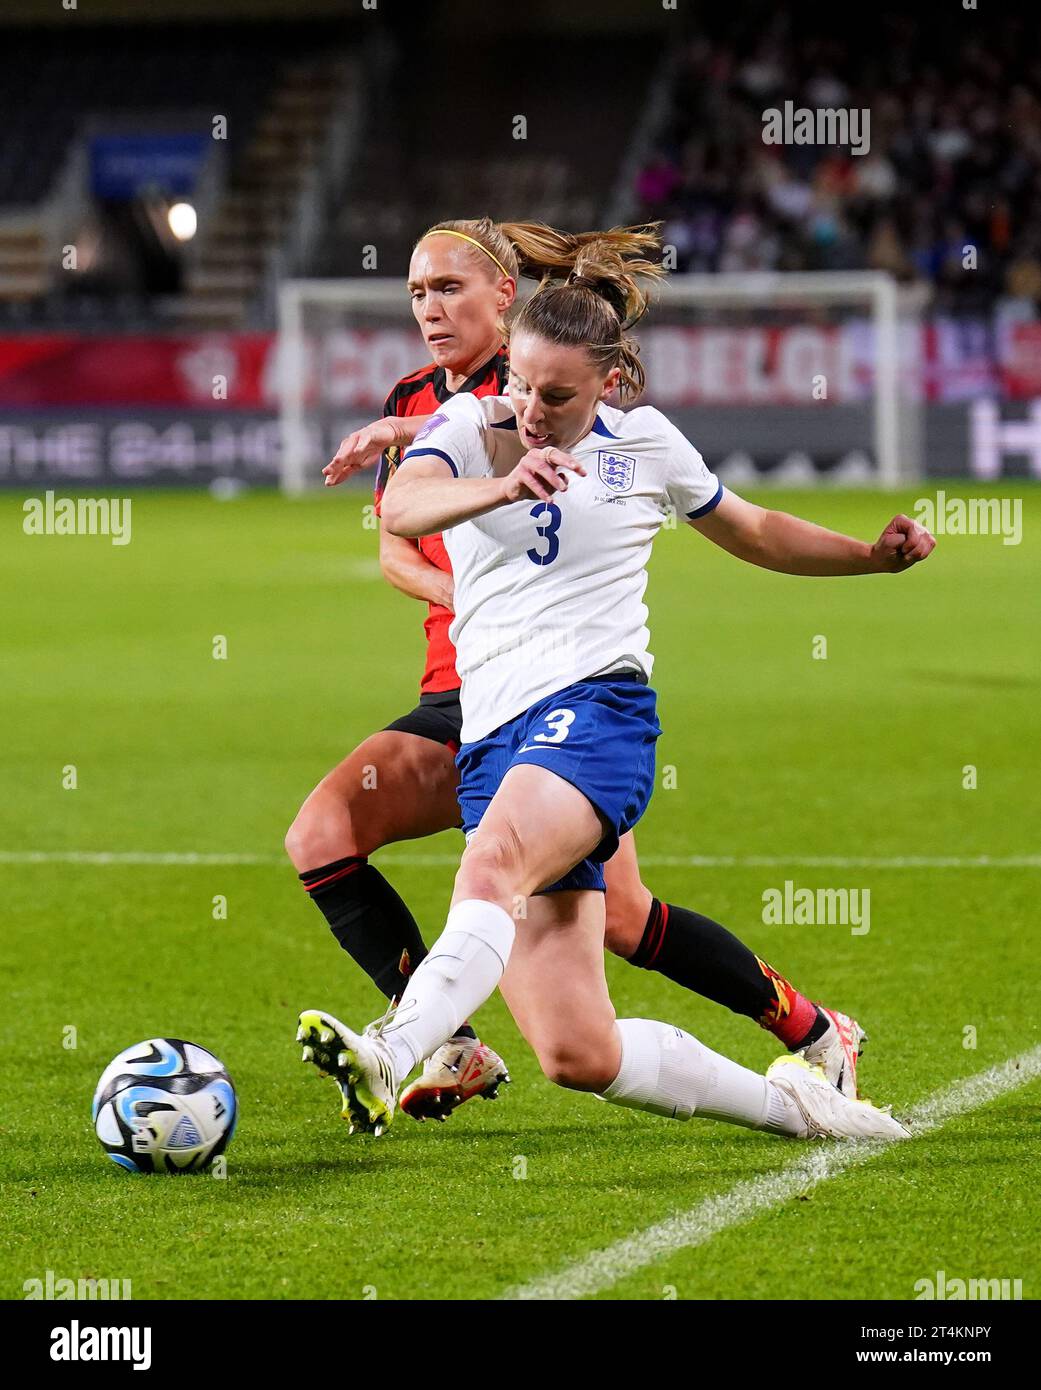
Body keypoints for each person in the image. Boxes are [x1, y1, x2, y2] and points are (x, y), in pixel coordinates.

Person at [296, 223, 933, 1143]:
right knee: (575, 1050)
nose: (535, 411)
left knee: (491, 865)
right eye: (523, 387)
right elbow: (402, 506)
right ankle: (803, 1109)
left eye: (559, 395)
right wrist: (504, 486)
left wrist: (869, 560)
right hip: (493, 735)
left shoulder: (644, 447)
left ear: (610, 384)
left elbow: (752, 530)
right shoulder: (470, 428)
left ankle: (394, 1050)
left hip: (596, 713)